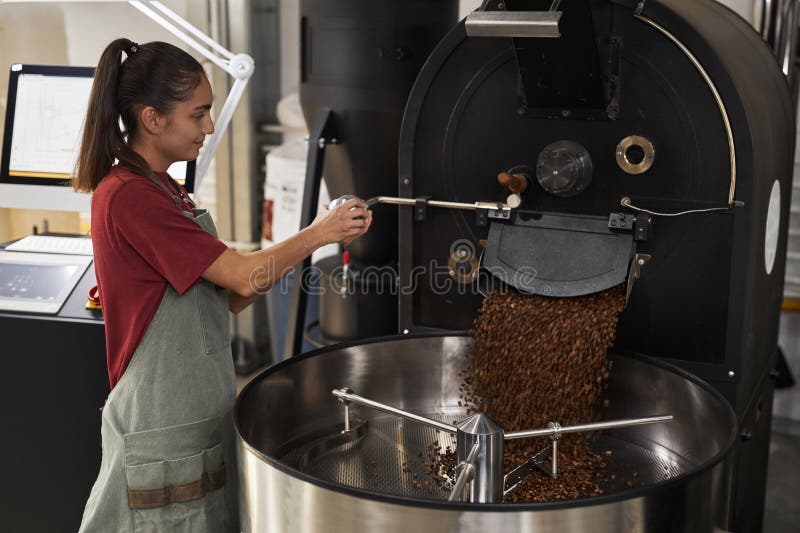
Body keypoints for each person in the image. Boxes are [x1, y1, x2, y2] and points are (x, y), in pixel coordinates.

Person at [73, 39, 371, 533]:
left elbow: (232, 296)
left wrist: (307, 243)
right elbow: (239, 274)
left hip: (199, 417)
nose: (209, 127)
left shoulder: (168, 190)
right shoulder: (129, 197)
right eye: (199, 113)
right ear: (152, 118)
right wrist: (320, 232)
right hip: (162, 429)